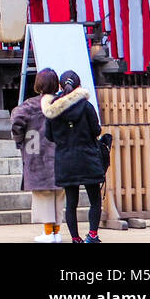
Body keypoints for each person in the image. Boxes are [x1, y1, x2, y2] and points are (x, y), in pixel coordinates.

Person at [42, 69, 106, 243]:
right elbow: (96, 130)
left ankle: (75, 238)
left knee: (71, 202)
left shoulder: (53, 109)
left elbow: (49, 136)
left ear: (61, 87)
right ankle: (92, 235)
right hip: (87, 158)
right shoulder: (86, 106)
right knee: (94, 199)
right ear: (79, 86)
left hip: (65, 159)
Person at [11, 68, 62, 242]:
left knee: (43, 194)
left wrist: (19, 140)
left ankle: (48, 233)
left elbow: (16, 120)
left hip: (37, 152)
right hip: (61, 153)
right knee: (59, 193)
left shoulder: (30, 105)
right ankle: (56, 231)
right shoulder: (62, 103)